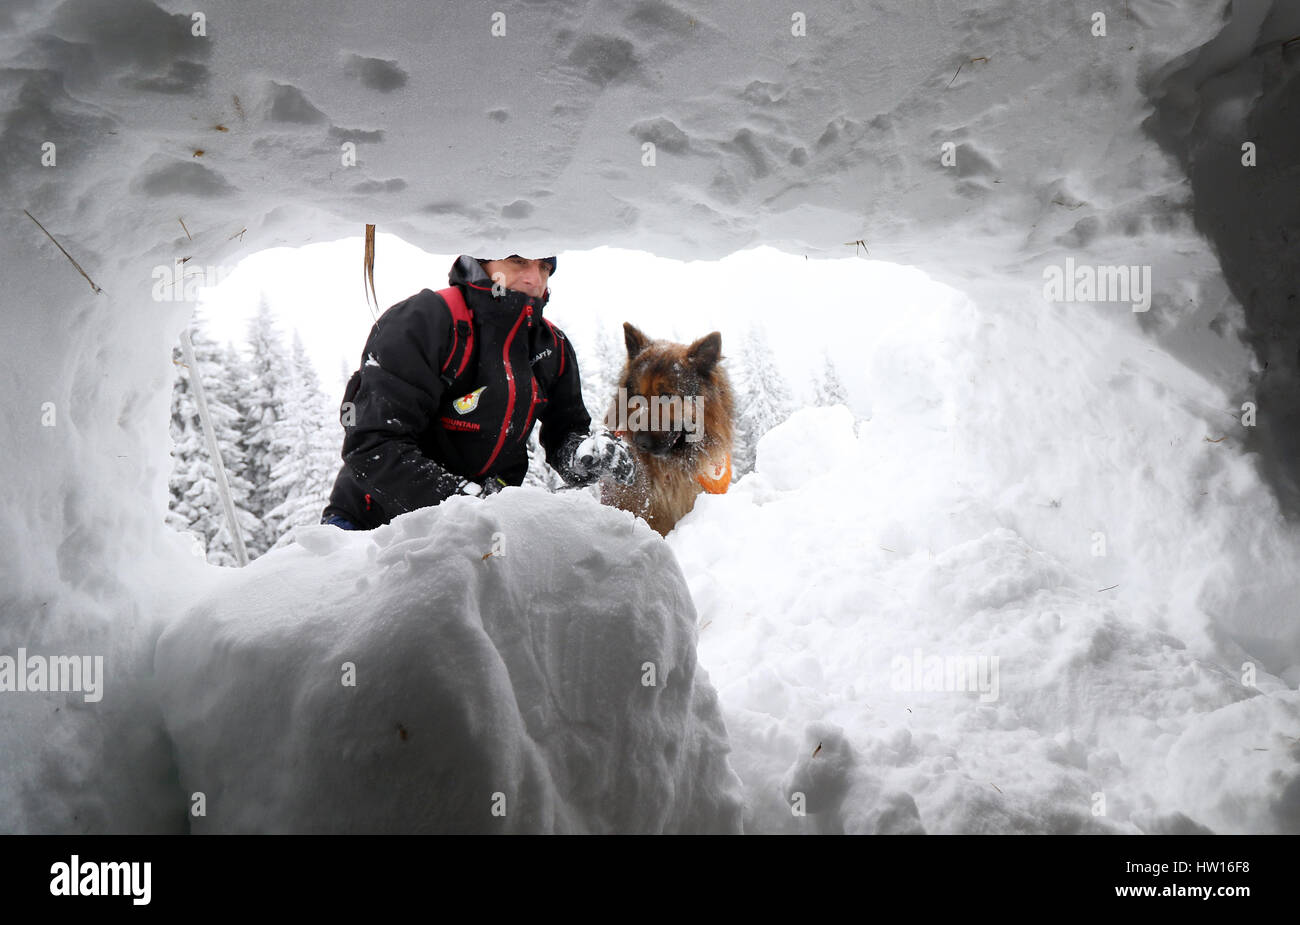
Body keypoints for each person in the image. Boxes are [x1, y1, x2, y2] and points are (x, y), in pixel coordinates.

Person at [320, 254, 633, 530]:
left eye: (543, 267)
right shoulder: (424, 319)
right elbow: (372, 445)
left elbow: (566, 432)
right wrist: (464, 501)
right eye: (518, 261)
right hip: (370, 524)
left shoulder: (552, 347)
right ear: (481, 261)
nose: (533, 279)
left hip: (478, 532)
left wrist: (585, 457)